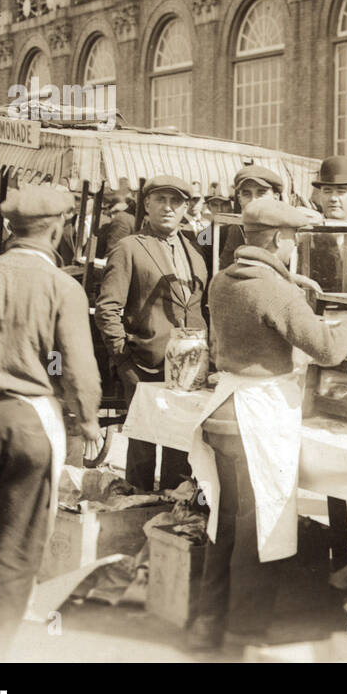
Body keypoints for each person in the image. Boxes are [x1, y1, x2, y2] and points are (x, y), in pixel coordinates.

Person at [188, 198, 347, 651]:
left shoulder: (223, 279)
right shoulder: (275, 288)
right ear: (279, 240)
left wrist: (294, 284)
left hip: (223, 408)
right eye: (293, 240)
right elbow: (328, 350)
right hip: (256, 415)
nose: (294, 248)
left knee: (225, 525)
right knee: (259, 531)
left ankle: (205, 627)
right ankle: (242, 639)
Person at [0, 186, 102, 659]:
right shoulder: (63, 286)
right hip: (31, 421)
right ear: (57, 228)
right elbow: (79, 369)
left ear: (11, 227)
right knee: (17, 535)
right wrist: (87, 420)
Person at [96, 174, 209, 491]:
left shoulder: (195, 254)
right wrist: (124, 361)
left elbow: (199, 308)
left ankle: (169, 517)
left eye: (176, 202)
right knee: (142, 453)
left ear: (186, 207)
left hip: (188, 366)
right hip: (144, 365)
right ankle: (134, 514)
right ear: (146, 204)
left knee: (180, 451)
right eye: (161, 199)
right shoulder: (129, 248)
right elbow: (107, 309)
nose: (168, 208)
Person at [219, 164, 286, 269]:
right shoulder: (221, 233)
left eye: (261, 193)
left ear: (275, 198)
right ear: (240, 199)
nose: (253, 201)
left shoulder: (288, 236)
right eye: (247, 194)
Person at [312, 156, 347, 223]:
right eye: (327, 191)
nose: (333, 198)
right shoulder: (309, 230)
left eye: (341, 192)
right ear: (320, 197)